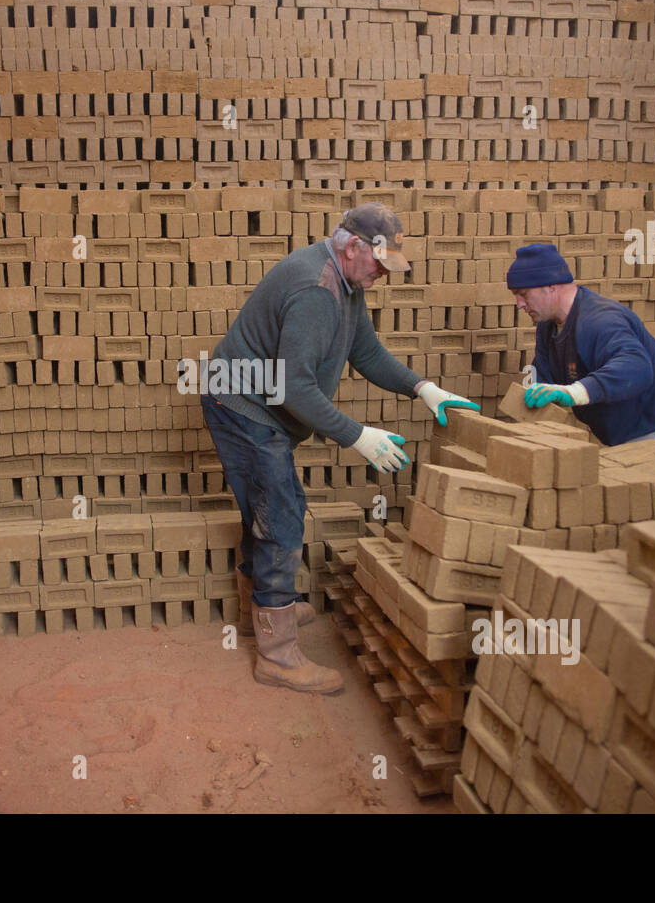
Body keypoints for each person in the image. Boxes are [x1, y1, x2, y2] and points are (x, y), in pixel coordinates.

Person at [200, 203, 479, 695]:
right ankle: (277, 656)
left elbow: (366, 351)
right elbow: (294, 389)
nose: (382, 276)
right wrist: (358, 436)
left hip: (259, 400)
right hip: (241, 404)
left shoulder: (346, 284)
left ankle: (259, 612)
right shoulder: (316, 290)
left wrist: (422, 388)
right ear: (354, 248)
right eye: (379, 265)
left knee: (267, 508)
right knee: (281, 514)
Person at [507, 243, 655, 447]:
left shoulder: (600, 321)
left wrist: (575, 392)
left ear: (551, 286)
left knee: (646, 479)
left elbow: (637, 366)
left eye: (523, 294)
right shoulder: (547, 326)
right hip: (620, 427)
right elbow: (542, 376)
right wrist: (529, 400)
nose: (520, 304)